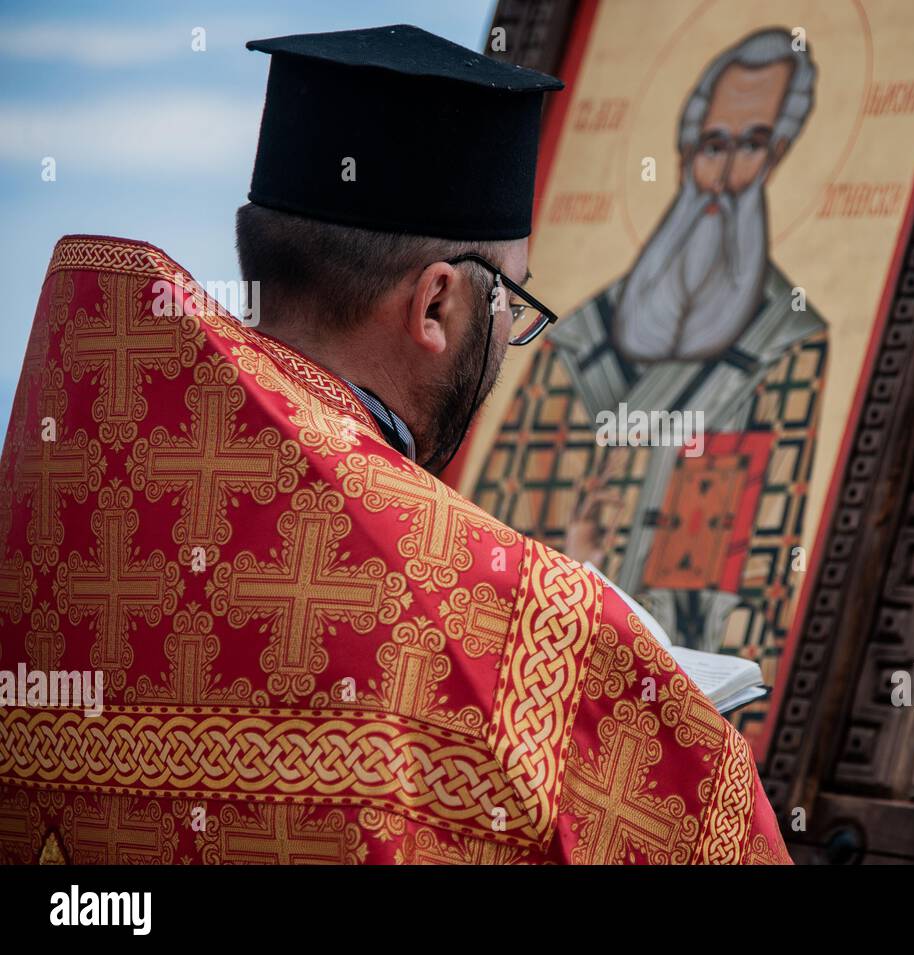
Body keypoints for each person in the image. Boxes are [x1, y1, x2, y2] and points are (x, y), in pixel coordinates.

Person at [0, 25, 789, 865]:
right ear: (436, 306)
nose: (511, 333)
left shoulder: (55, 535)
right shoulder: (521, 623)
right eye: (511, 304)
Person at [472, 30, 828, 736]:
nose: (724, 178)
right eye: (711, 145)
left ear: (778, 155)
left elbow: (759, 587)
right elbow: (490, 528)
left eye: (752, 145)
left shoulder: (784, 348)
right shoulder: (569, 338)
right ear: (684, 147)